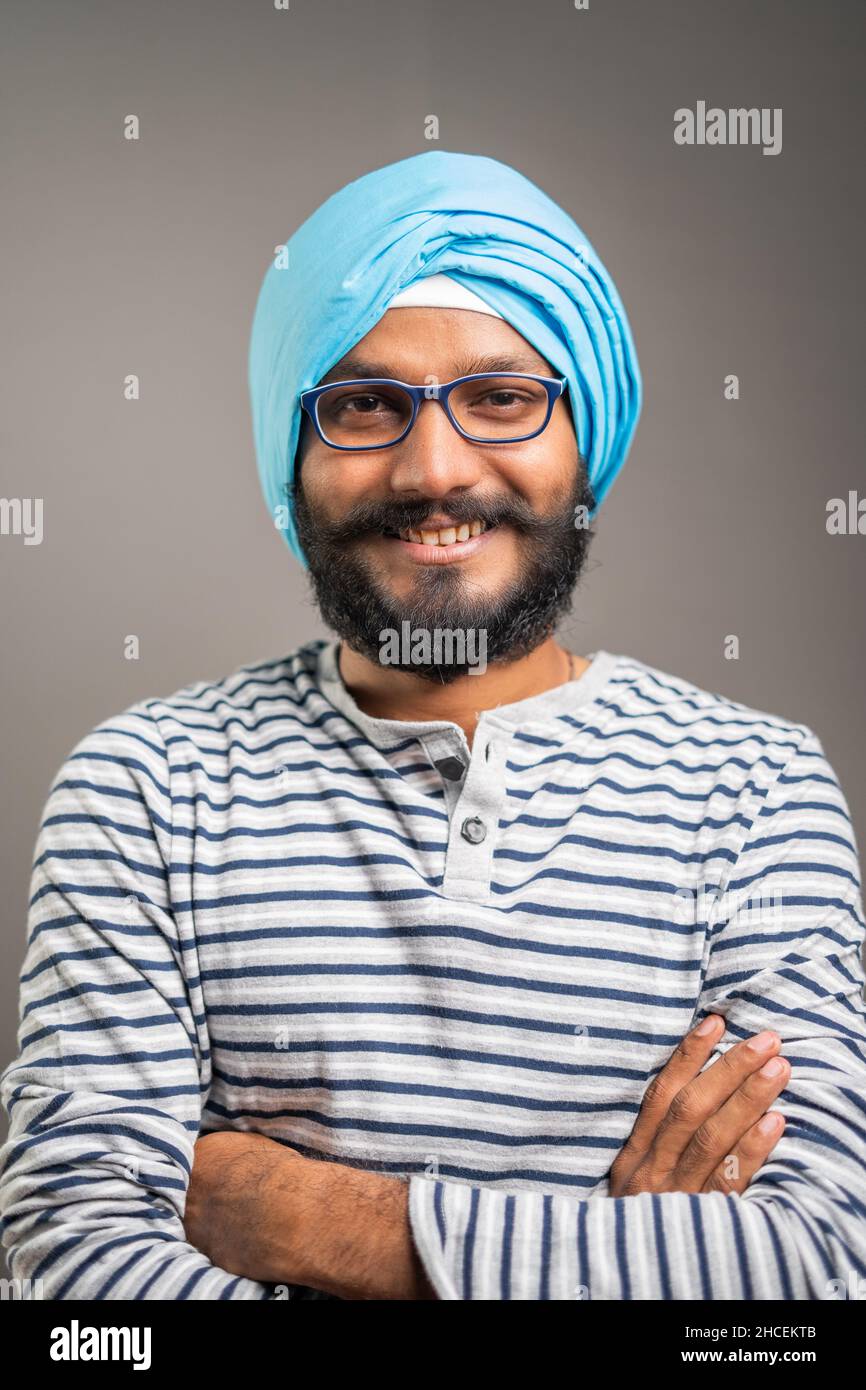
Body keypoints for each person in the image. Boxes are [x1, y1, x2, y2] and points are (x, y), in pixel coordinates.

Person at [2, 151, 864, 1301]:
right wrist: (613, 1263)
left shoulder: (755, 788)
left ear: (582, 442)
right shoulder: (144, 789)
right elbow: (74, 1289)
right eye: (364, 404)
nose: (435, 469)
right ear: (291, 453)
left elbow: (816, 1278)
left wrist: (311, 1218)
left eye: (501, 398)